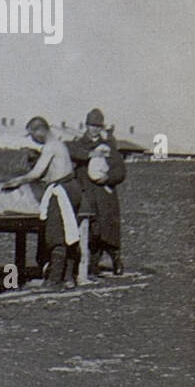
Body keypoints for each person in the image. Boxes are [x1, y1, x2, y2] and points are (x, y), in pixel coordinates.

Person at [2, 115, 81, 288]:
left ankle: (53, 279)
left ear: (40, 131)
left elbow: (36, 174)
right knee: (69, 232)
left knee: (56, 234)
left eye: (32, 135)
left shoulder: (51, 147)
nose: (33, 139)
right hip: (71, 188)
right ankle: (68, 278)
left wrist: (16, 181)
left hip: (62, 191)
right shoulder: (59, 145)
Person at [67, 108, 126, 275]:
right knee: (89, 229)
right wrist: (90, 154)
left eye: (98, 126)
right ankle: (90, 264)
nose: (94, 129)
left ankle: (115, 258)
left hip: (104, 194)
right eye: (92, 125)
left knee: (107, 229)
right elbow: (70, 151)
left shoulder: (109, 147)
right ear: (86, 125)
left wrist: (108, 178)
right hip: (85, 193)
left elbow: (120, 170)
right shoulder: (78, 144)